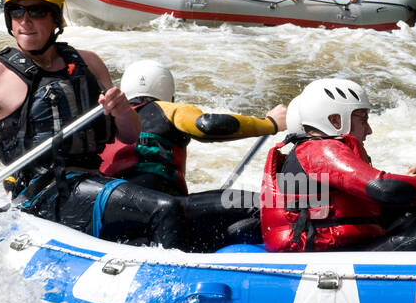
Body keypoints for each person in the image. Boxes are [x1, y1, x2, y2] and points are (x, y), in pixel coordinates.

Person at [0, 0, 184, 247]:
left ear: (56, 19)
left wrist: (122, 110)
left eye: (36, 11)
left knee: (186, 207)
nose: (25, 20)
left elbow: (130, 135)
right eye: (17, 11)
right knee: (166, 209)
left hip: (92, 180)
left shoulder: (89, 63)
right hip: (42, 194)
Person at [261, 78, 416, 253]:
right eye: (363, 119)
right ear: (335, 121)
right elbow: (384, 187)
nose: (369, 130)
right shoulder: (321, 151)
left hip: (337, 247)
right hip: (323, 255)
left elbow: (388, 189)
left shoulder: (316, 151)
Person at [101, 60, 288, 251]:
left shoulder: (104, 117)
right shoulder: (169, 109)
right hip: (167, 210)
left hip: (113, 212)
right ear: (170, 95)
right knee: (264, 205)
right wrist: (271, 123)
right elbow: (206, 125)